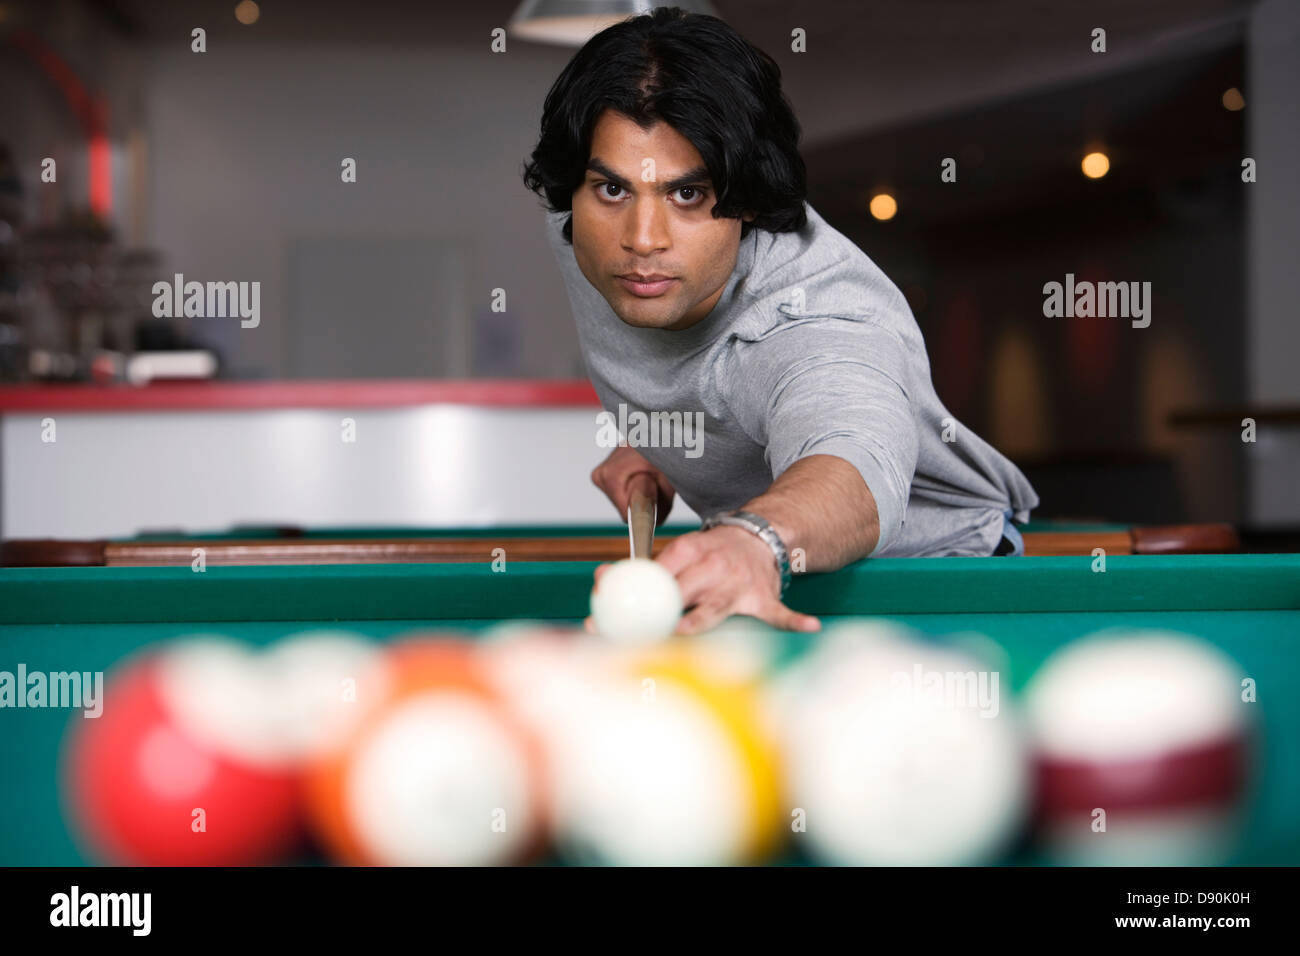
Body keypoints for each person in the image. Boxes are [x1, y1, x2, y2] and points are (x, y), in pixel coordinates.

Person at [522, 7, 1038, 635]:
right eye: (613, 190)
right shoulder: (588, 234)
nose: (642, 238)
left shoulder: (813, 318)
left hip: (931, 583)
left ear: (747, 203)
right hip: (755, 571)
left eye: (688, 194)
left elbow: (853, 455)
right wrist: (663, 436)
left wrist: (755, 540)